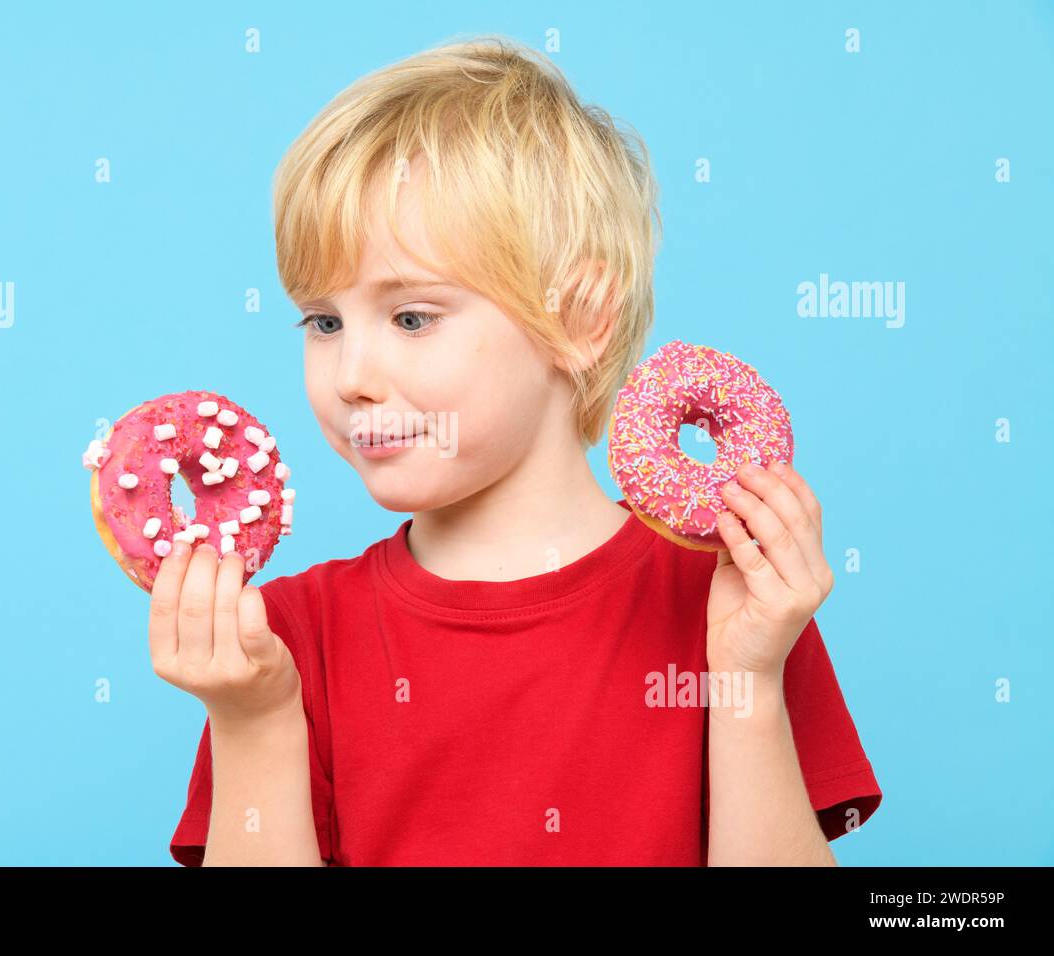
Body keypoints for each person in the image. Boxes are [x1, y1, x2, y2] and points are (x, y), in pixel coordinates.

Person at [150, 35, 881, 866]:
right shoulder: (286, 643)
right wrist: (254, 723)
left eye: (412, 317)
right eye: (324, 322)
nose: (351, 375)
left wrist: (746, 683)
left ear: (580, 319)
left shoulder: (730, 606)